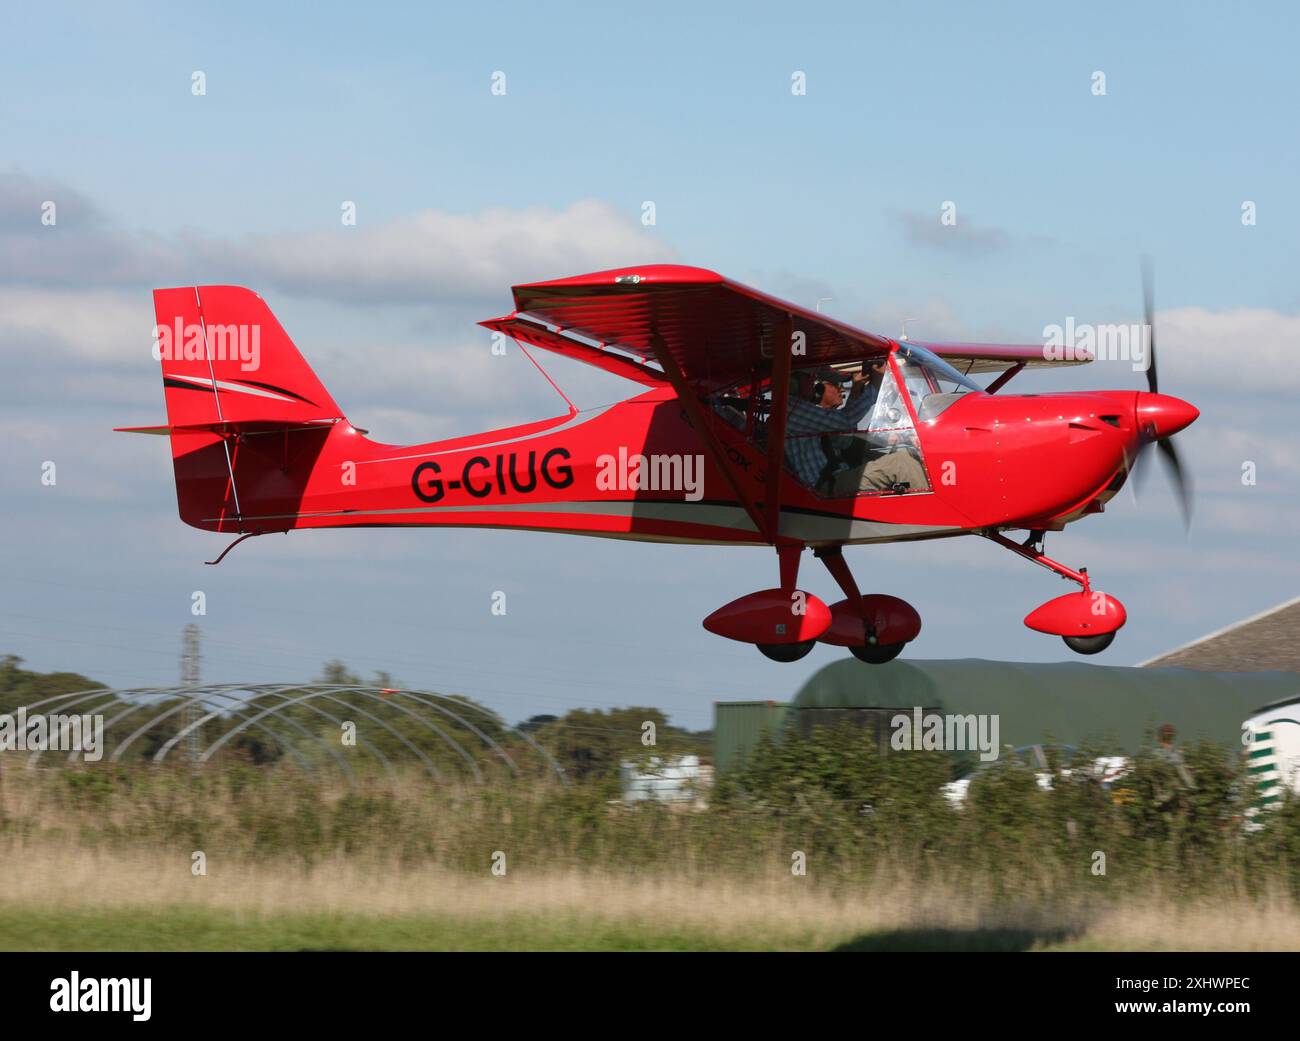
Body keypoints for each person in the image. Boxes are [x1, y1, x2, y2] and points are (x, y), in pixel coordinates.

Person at [784, 364, 880, 489]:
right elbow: (846, 420)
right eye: (809, 378)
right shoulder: (792, 409)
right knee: (901, 463)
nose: (842, 390)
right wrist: (877, 383)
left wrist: (857, 387)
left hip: (836, 476)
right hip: (823, 485)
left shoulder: (816, 420)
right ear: (793, 382)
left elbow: (844, 441)